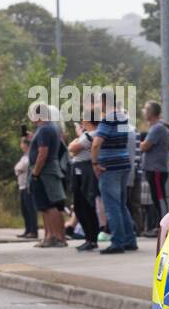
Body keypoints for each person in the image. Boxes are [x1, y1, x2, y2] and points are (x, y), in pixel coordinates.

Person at [91, 89, 137, 254]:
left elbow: (96, 143)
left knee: (112, 206)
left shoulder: (107, 120)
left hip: (109, 166)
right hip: (123, 163)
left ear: (104, 102)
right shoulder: (123, 118)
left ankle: (117, 242)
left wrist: (94, 162)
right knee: (121, 205)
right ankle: (130, 239)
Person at [28, 105, 69, 248]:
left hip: (45, 172)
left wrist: (35, 172)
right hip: (50, 170)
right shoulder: (51, 128)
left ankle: (58, 237)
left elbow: (43, 153)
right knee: (47, 206)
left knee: (50, 205)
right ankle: (52, 236)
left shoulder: (45, 129)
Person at [68, 112, 101, 251]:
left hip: (85, 170)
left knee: (86, 204)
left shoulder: (92, 135)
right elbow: (72, 149)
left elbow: (73, 148)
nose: (81, 120)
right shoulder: (85, 134)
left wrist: (76, 142)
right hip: (78, 169)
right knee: (79, 206)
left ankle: (91, 238)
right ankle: (89, 237)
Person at [138, 100, 169, 234]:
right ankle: (160, 226)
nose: (144, 111)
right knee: (157, 198)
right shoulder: (155, 127)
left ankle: (164, 226)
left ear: (152, 112)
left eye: (146, 109)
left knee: (159, 198)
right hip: (153, 169)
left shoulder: (157, 128)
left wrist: (140, 144)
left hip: (157, 169)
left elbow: (145, 146)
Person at [14, 135, 38, 239]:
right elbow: (17, 168)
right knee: (24, 209)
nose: (21, 145)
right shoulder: (23, 156)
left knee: (30, 209)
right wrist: (18, 169)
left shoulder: (30, 156)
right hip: (21, 185)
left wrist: (18, 169)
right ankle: (27, 229)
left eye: (22, 143)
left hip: (28, 185)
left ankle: (33, 230)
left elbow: (23, 167)